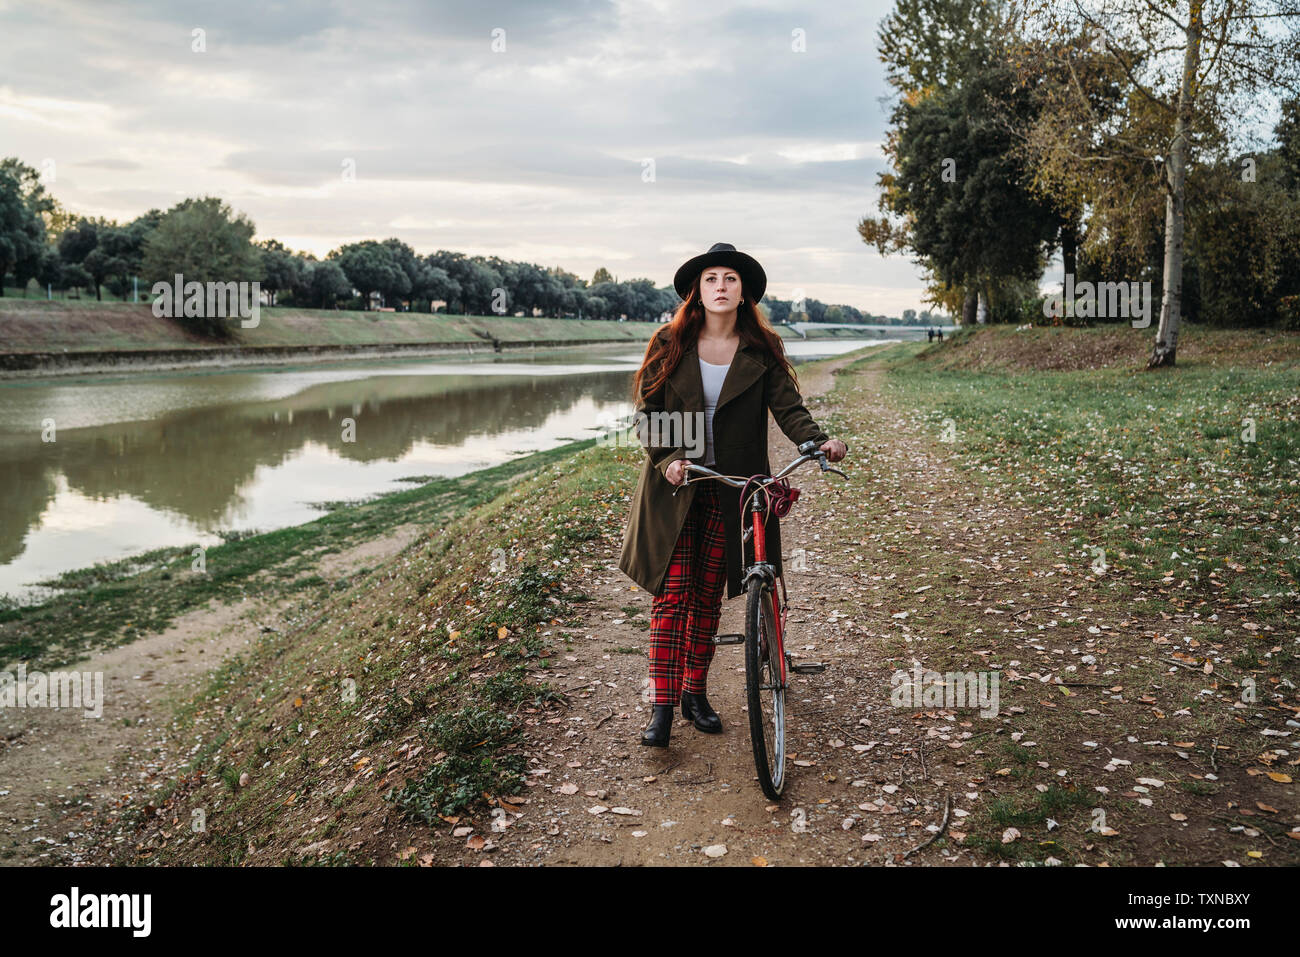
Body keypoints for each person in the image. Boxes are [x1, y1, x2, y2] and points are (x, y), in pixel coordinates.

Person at [617, 242, 847, 748]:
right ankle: (661, 704)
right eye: (711, 279)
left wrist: (815, 441)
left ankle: (694, 694)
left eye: (730, 279)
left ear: (743, 293)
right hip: (677, 486)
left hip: (736, 491)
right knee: (671, 597)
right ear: (697, 292)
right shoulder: (669, 341)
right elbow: (648, 414)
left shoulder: (761, 350)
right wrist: (669, 458)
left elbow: (790, 409)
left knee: (705, 598)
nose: (721, 287)